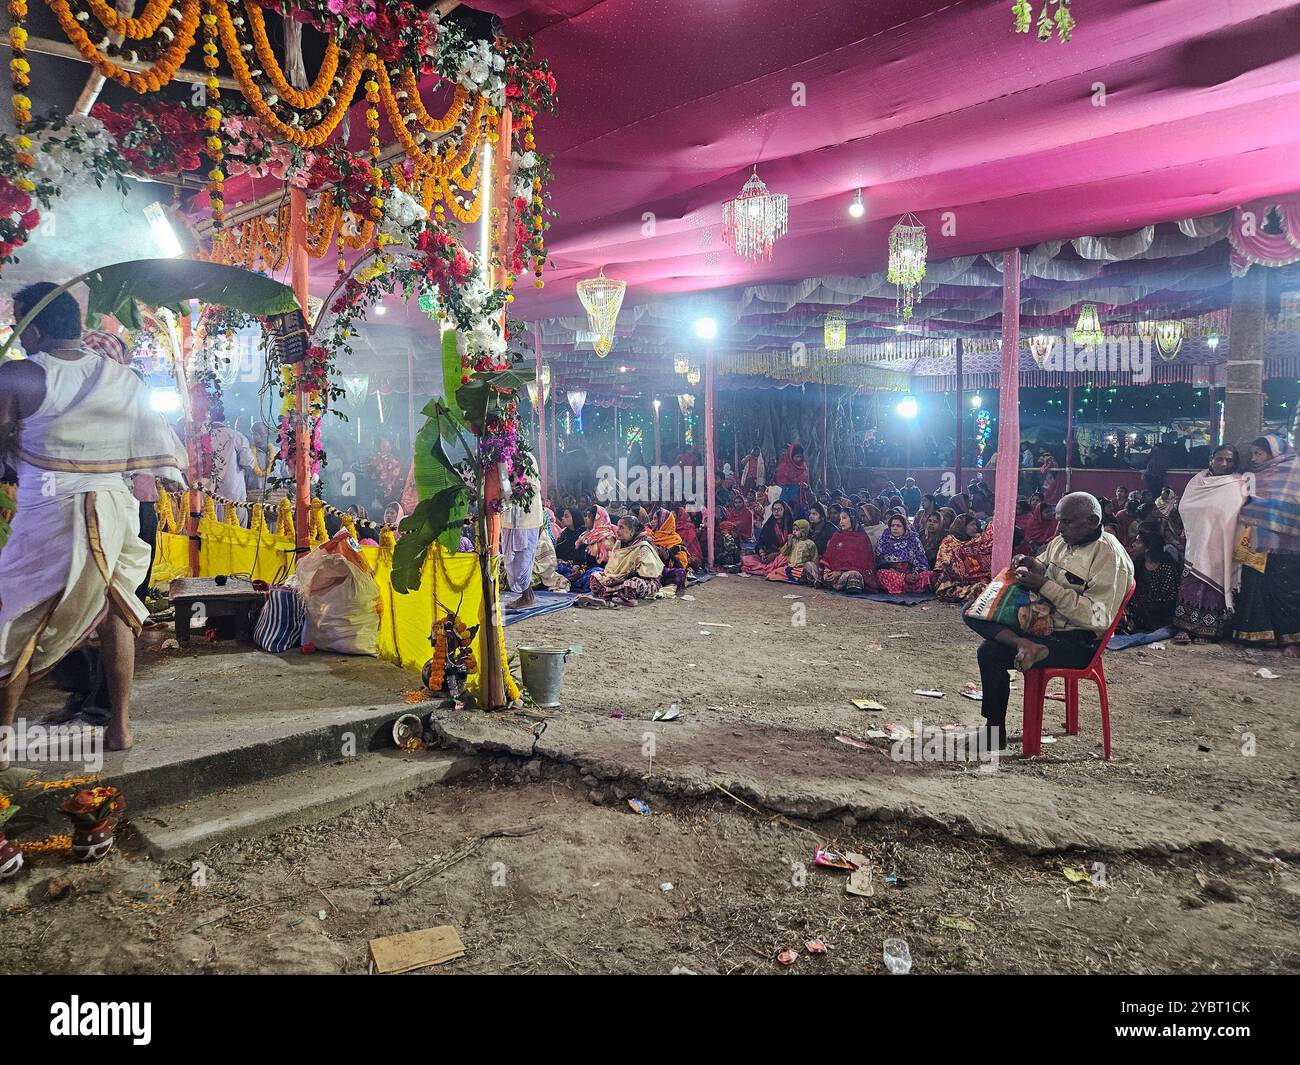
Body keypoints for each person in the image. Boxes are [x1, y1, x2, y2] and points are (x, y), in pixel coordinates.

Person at [0, 283, 187, 763]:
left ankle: (1, 739)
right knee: (116, 613)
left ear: (33, 328)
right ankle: (120, 727)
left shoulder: (19, 375)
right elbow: (157, 449)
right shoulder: (125, 379)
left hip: (50, 511)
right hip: (114, 508)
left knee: (17, 617)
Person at [963, 492, 1134, 749]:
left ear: (1092, 521)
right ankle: (994, 730)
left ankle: (1028, 646)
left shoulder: (1109, 558)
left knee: (990, 652)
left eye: (1066, 522)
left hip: (1077, 642)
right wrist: (1029, 565)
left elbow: (1097, 619)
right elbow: (1044, 565)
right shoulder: (1062, 541)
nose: (1059, 528)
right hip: (1045, 625)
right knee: (973, 610)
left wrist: (1045, 586)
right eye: (1058, 521)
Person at [1232, 435, 1300, 656]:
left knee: (1285, 590)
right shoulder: (1253, 476)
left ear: (1274, 453)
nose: (1254, 458)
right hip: (1255, 542)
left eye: (1259, 453)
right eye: (1252, 454)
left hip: (1286, 545)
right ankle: (1258, 635)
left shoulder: (1294, 470)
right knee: (1255, 587)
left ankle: (1290, 639)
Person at [1172, 446, 1246, 643]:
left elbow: (1239, 512)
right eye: (1219, 459)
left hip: (1223, 545)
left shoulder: (1239, 483)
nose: (1224, 464)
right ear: (1211, 459)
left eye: (1229, 460)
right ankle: (1184, 628)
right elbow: (1185, 506)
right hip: (1198, 542)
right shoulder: (1197, 481)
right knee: (1190, 585)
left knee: (1215, 588)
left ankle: (1208, 631)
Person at [579, 514, 664, 608]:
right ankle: (609, 597)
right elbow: (612, 566)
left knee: (632, 583)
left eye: (621, 527)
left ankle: (625, 599)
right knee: (595, 576)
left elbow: (646, 573)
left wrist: (622, 579)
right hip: (618, 579)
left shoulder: (644, 545)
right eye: (618, 527)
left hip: (643, 581)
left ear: (632, 531)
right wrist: (610, 577)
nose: (617, 530)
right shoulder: (619, 544)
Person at [1124, 527, 1180, 633]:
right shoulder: (1139, 562)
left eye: (1138, 542)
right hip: (1140, 609)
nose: (1134, 544)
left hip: (1160, 612)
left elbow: (1168, 598)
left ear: (1148, 548)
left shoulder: (1166, 567)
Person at [501, 470, 544, 609]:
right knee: (510, 559)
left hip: (527, 518)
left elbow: (535, 487)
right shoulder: (499, 456)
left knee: (523, 558)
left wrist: (517, 489)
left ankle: (527, 596)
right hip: (508, 518)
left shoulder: (527, 459)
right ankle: (527, 595)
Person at [815, 509, 877, 593]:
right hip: (832, 573)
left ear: (853, 519)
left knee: (854, 575)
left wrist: (840, 572)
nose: (841, 522)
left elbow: (862, 564)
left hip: (847, 574)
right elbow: (828, 556)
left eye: (844, 518)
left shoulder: (861, 538)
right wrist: (828, 571)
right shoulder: (837, 536)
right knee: (810, 566)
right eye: (840, 519)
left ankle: (846, 586)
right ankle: (824, 581)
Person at [933, 516, 992, 603]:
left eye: (976, 525)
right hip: (954, 579)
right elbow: (944, 562)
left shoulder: (977, 540)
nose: (975, 528)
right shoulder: (949, 541)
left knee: (985, 586)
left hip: (977, 577)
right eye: (972, 525)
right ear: (962, 526)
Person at [209, 417, 255, 526]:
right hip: (233, 497)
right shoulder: (236, 436)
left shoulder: (201, 438)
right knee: (237, 535)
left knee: (212, 537)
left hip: (208, 497)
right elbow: (248, 463)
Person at [874, 513, 933, 595]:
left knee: (929, 574)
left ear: (905, 527)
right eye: (892, 525)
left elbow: (921, 561)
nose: (894, 528)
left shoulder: (913, 540)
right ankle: (909, 587)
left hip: (911, 573)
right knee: (881, 574)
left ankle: (906, 587)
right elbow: (880, 563)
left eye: (898, 526)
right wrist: (902, 576)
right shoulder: (884, 539)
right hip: (893, 574)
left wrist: (914, 574)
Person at [770, 518, 819, 583]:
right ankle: (796, 579)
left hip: (801, 568)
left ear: (803, 531)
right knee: (775, 573)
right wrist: (789, 543)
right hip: (791, 567)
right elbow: (783, 552)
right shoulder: (792, 541)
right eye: (793, 529)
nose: (794, 532)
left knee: (808, 568)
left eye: (797, 530)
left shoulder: (810, 543)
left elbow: (814, 559)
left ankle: (802, 578)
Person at [775, 443, 811, 517]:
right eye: (796, 457)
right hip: (786, 496)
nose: (798, 459)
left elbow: (807, 484)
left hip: (800, 499)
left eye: (800, 457)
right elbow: (780, 483)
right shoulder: (783, 467)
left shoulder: (804, 467)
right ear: (791, 456)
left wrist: (806, 487)